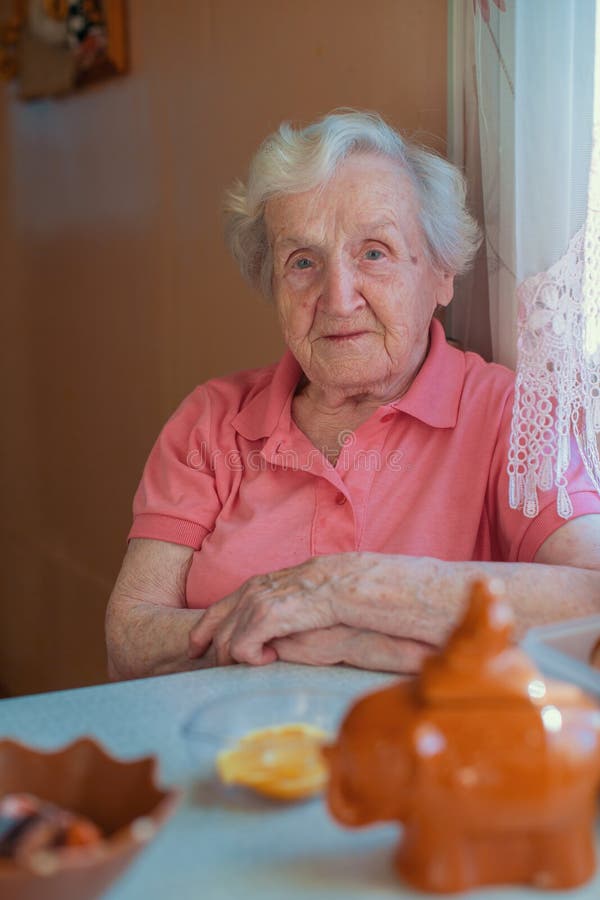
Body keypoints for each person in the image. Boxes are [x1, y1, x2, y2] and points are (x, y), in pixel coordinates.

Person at [106, 110, 600, 681]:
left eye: (374, 253)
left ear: (442, 274)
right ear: (273, 285)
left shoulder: (513, 415)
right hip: (227, 735)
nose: (339, 299)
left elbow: (591, 598)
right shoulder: (213, 420)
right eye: (303, 262)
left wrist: (344, 590)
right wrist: (300, 631)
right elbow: (129, 638)